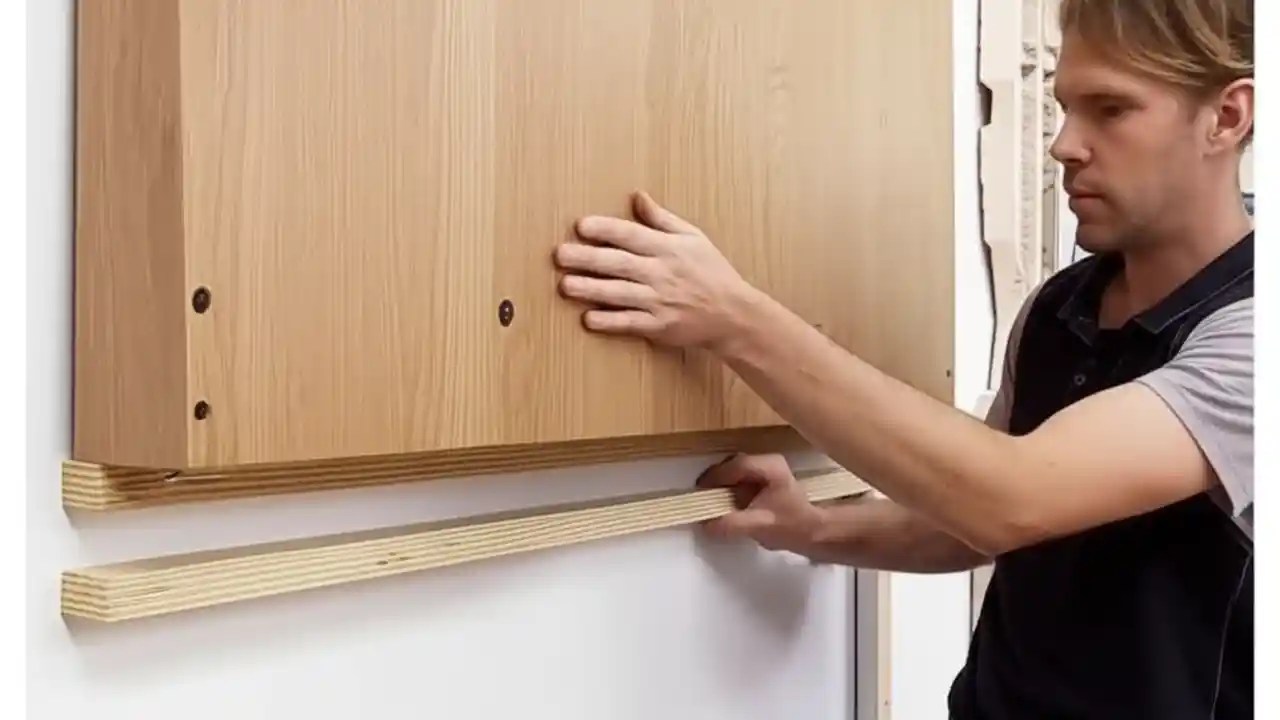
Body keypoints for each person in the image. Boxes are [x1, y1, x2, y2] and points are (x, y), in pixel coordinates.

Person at [552, 0, 1255, 717]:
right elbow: (964, 513)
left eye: (1110, 110)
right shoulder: (1058, 308)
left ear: (1227, 117)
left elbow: (1011, 499)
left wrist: (733, 318)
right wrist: (811, 528)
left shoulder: (1256, 339)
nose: (1065, 144)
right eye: (1065, 106)